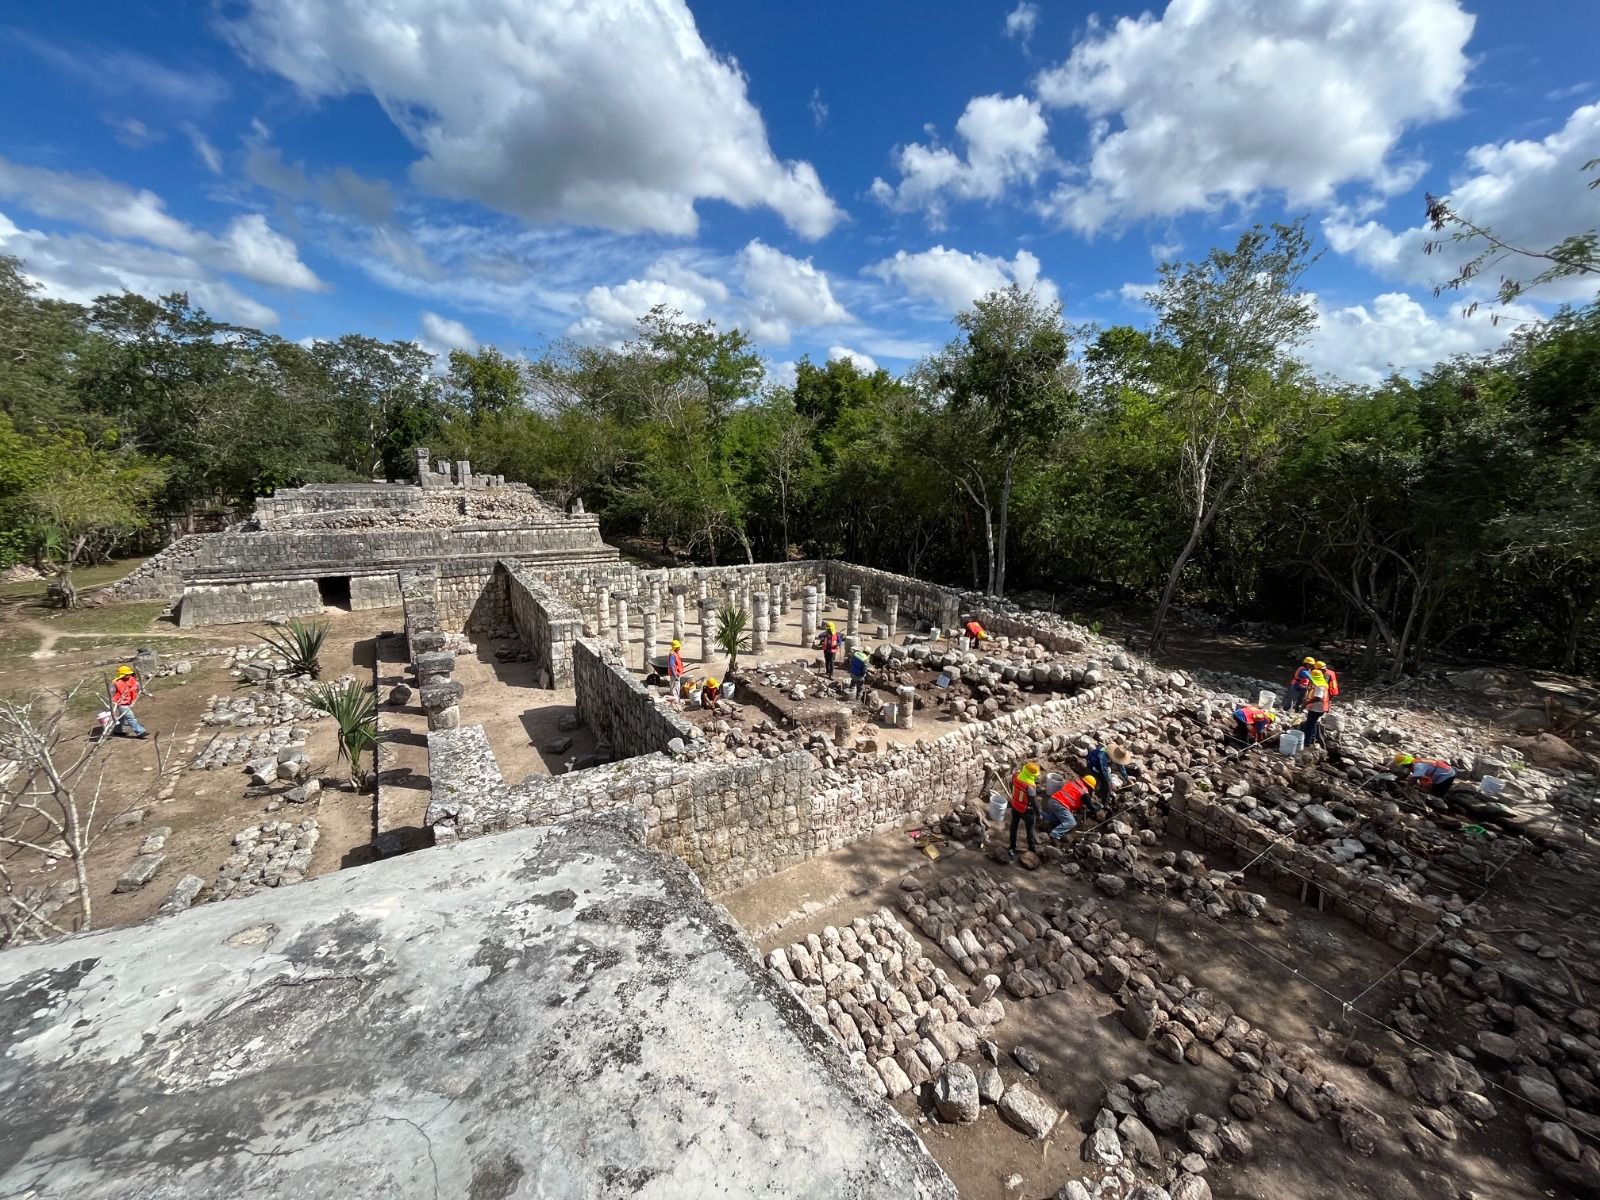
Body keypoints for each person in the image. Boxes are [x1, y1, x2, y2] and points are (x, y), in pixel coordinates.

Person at [1043, 774, 1095, 841]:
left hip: (1052, 800)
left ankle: (1046, 823)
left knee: (1056, 822)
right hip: (1060, 805)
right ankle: (1055, 835)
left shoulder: (1073, 783)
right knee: (1071, 822)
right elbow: (1091, 806)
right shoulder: (1084, 792)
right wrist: (1095, 810)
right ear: (1089, 786)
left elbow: (1073, 796)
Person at [1008, 761, 1042, 858]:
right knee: (1030, 829)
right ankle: (1032, 848)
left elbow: (1013, 776)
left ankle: (1012, 846)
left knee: (1013, 826)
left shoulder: (1016, 777)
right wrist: (1038, 813)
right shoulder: (1030, 787)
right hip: (1027, 811)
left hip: (1015, 806)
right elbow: (1034, 802)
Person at [109, 665, 148, 739]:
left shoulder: (132, 680)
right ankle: (140, 732)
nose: (128, 675)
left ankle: (117, 731)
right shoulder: (116, 683)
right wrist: (112, 703)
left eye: (129, 674)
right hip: (120, 703)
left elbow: (140, 688)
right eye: (126, 674)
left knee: (121, 718)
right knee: (130, 717)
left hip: (128, 702)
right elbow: (111, 693)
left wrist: (148, 694)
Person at [1301, 669, 1330, 745]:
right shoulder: (1323, 682)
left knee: (1309, 725)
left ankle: (1307, 742)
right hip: (1320, 708)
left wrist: (1306, 703)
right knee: (1312, 724)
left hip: (1317, 709)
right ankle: (1312, 739)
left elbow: (1318, 697)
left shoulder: (1319, 685)